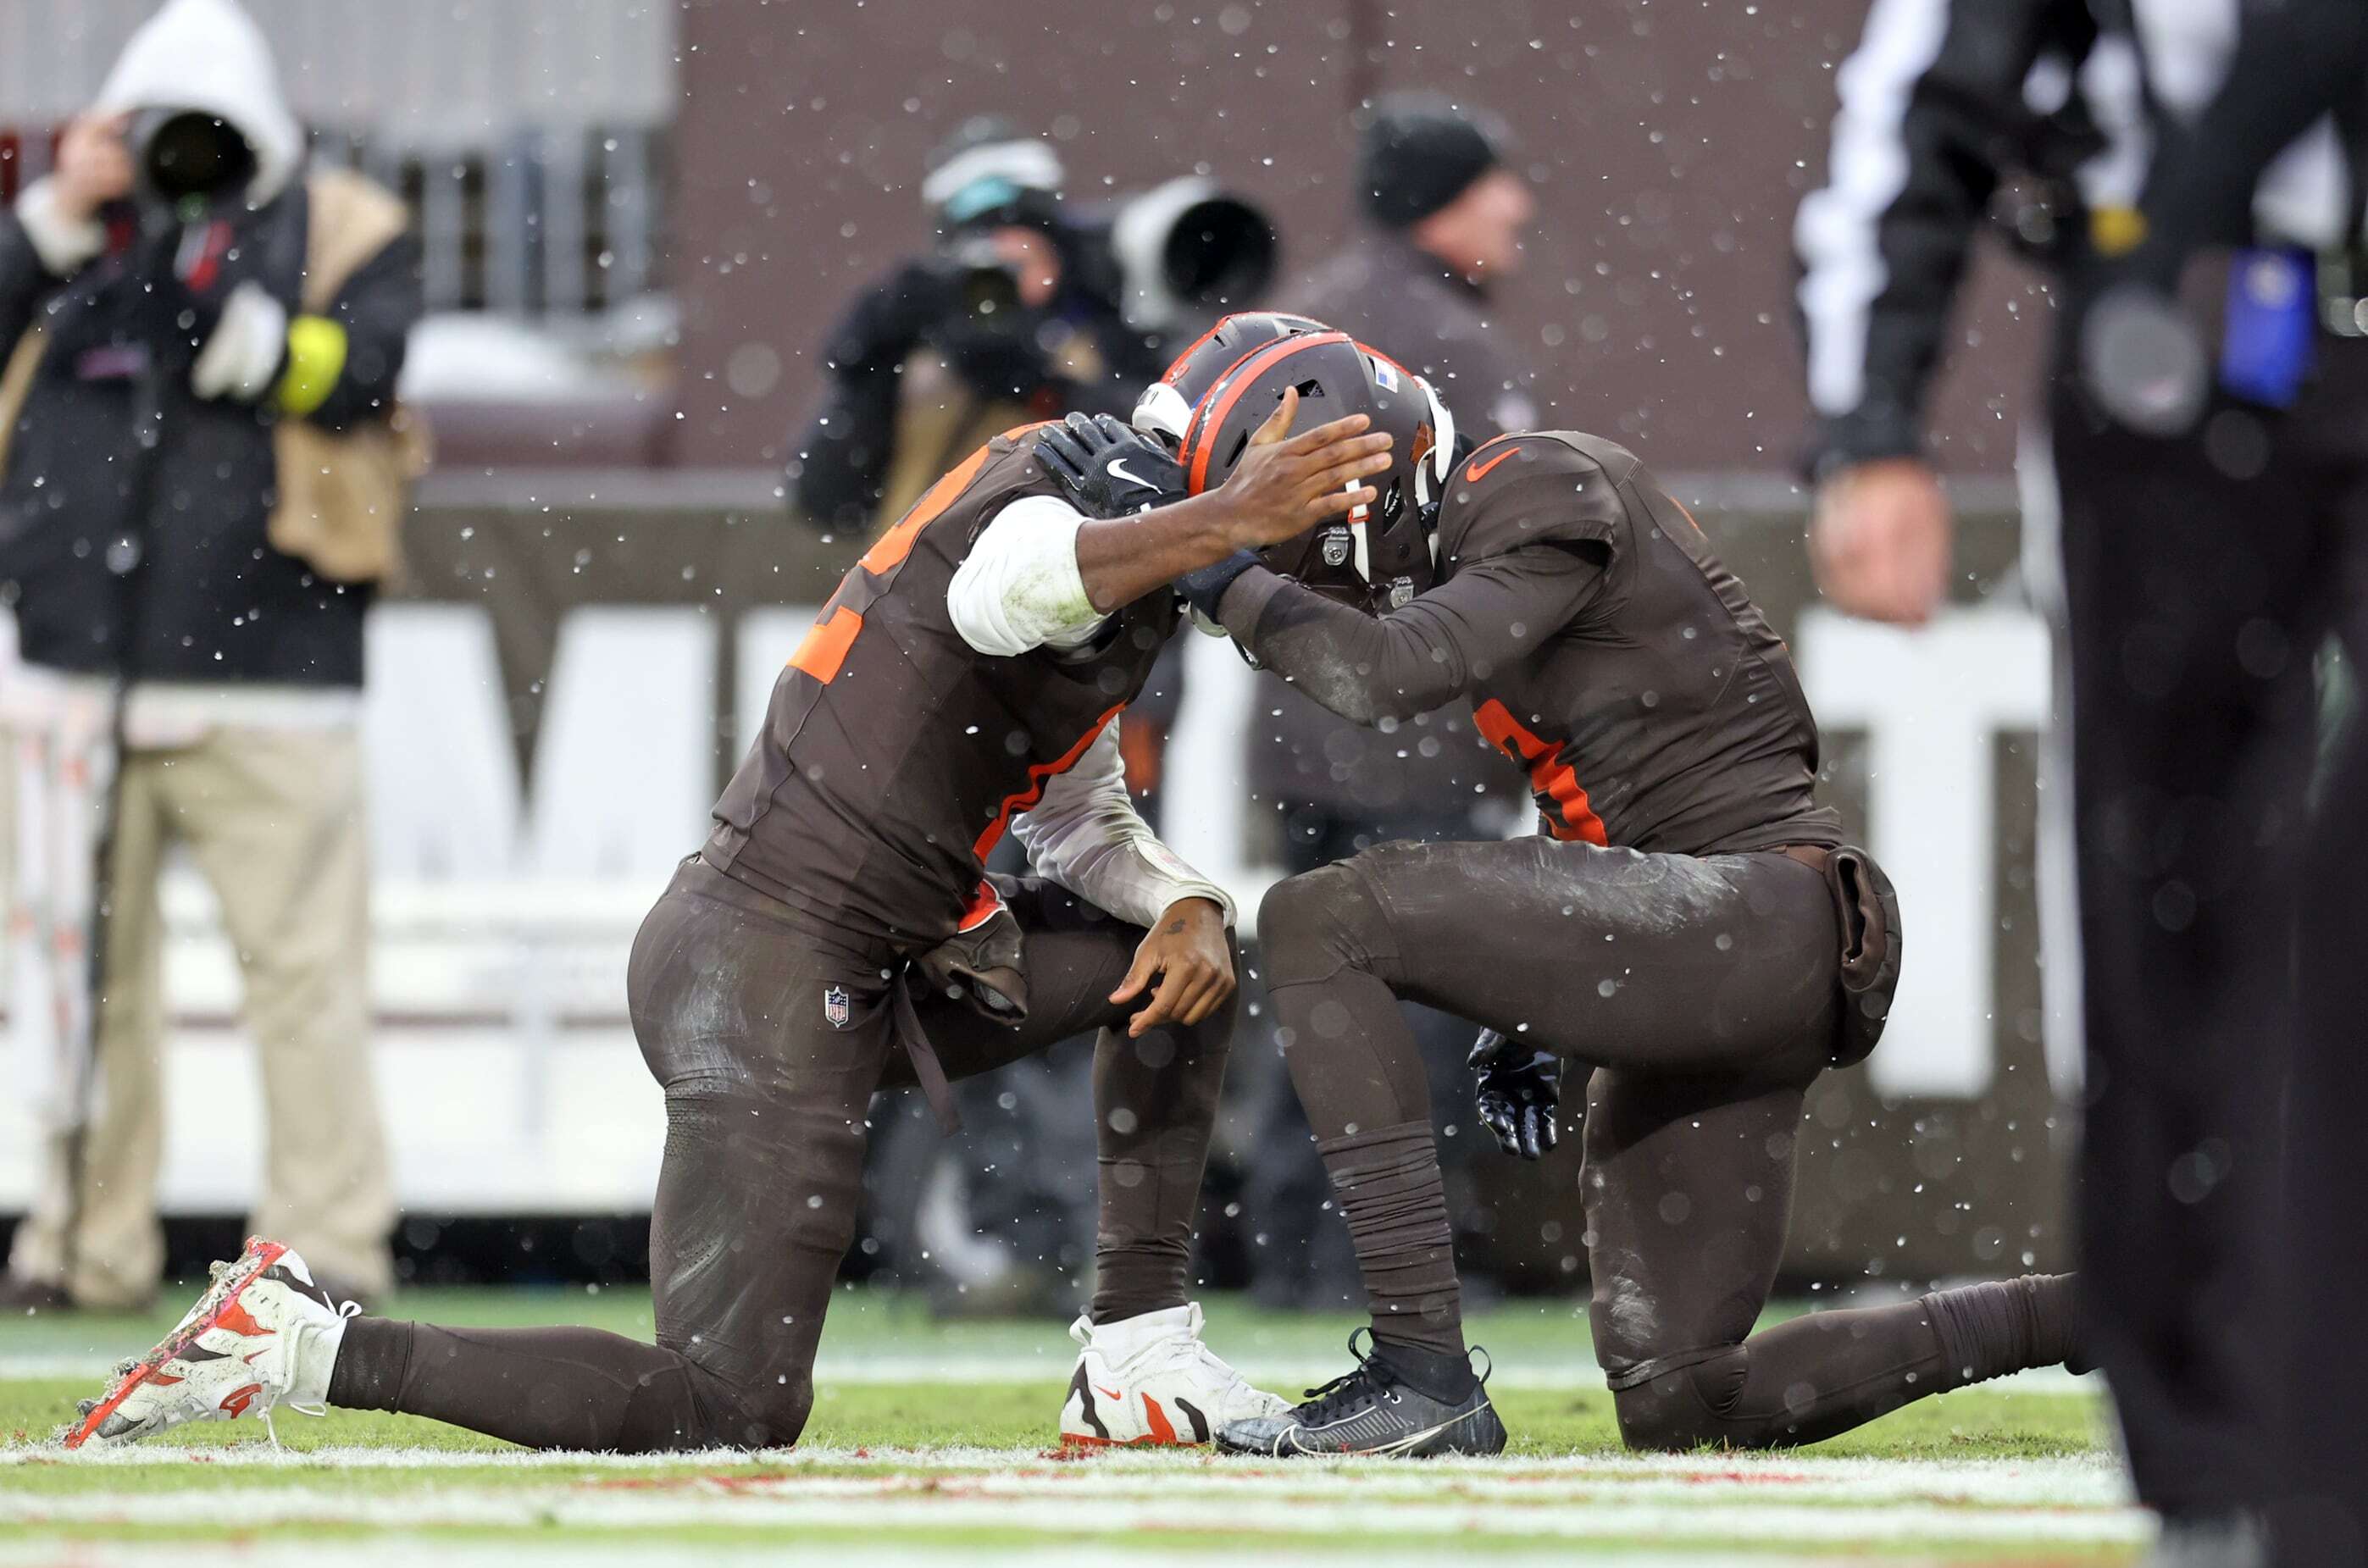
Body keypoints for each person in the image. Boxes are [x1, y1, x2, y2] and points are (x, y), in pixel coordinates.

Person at [62, 337, 1406, 1454]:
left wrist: (1175, 889)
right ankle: (299, 1339)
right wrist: (1226, 524)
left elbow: (1072, 809)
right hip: (761, 963)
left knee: (1176, 948)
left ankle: (1137, 1354)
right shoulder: (1043, 500)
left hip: (856, 953)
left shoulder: (1127, 553)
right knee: (729, 1403)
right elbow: (1011, 591)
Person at [1038, 314, 2084, 1459]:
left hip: (1751, 906)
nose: (1279, 546)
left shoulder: (1532, 479)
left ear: (1359, 471)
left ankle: (1418, 1369)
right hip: (1731, 928)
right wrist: (1534, 989)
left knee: (1316, 917)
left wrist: (1204, 555)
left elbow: (1383, 677)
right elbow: (1598, 756)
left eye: (1286, 513)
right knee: (1687, 1396)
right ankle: (2087, 1309)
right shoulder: (1494, 528)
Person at [1795, 4, 2368, 1562]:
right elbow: (1925, 100)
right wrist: (1873, 422)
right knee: (2173, 894)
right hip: (2193, 332)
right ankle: (2216, 1458)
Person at [0, 0, 421, 1313]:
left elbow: (365, 371)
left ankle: (323, 1248)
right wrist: (60, 214)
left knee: (301, 978)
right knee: (76, 983)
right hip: (78, 669)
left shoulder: (343, 223)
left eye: (208, 139)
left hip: (273, 676)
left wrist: (214, 304)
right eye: (153, 136)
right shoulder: (78, 237)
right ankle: (79, 1240)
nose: (184, 159)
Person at [1239, 95, 1540, 1310]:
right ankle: (1387, 1262)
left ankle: (1285, 1247)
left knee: (1308, 994)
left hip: (1299, 717)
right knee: (1412, 1010)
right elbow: (1511, 548)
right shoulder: (1453, 347)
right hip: (1418, 732)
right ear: (1440, 201)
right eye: (1492, 185)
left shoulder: (1298, 320)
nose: (1515, 207)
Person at [786, 115, 1169, 536]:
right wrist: (871, 360)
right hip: (933, 589)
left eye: (1022, 261)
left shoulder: (1108, 332)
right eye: (988, 268)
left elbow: (1159, 456)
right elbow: (827, 501)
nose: (1006, 284)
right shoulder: (921, 357)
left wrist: (1042, 385)